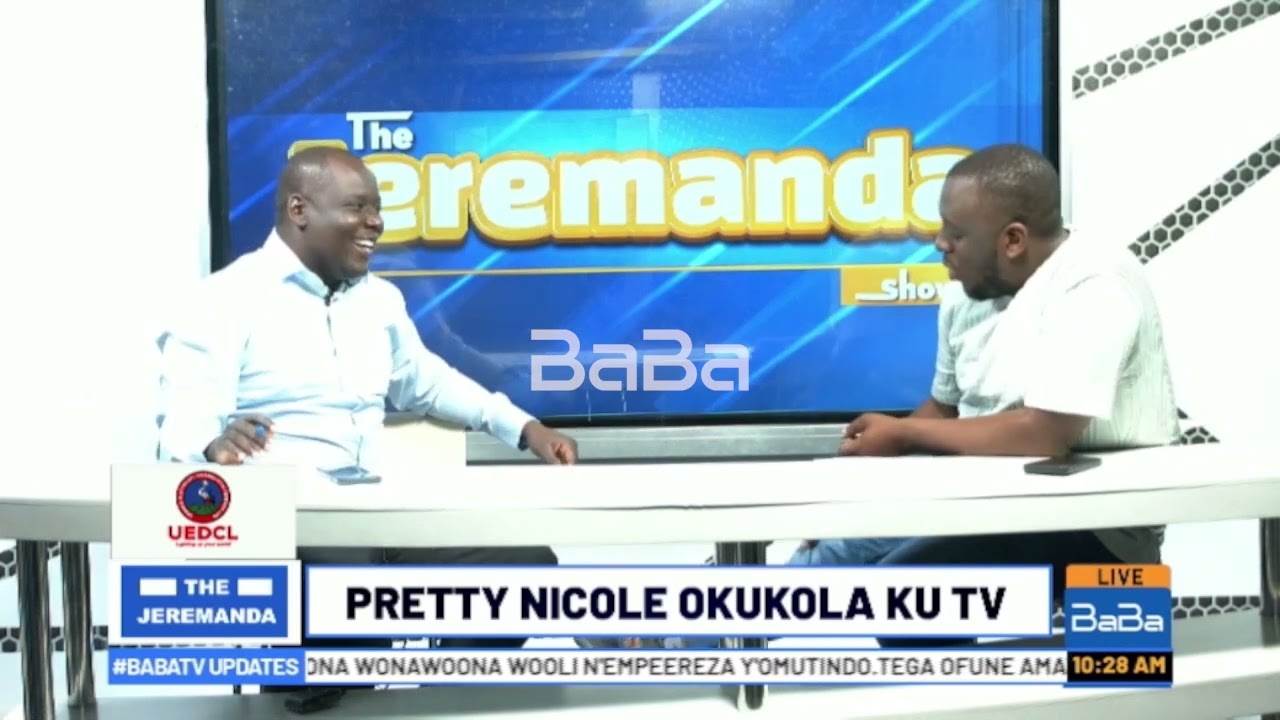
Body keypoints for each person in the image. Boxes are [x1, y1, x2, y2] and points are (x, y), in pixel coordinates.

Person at [580, 143, 1180, 650]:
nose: (938, 243)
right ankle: (672, 627)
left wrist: (905, 433)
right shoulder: (969, 290)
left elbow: (1042, 433)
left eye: (955, 234)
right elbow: (944, 408)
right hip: (984, 496)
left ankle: (670, 636)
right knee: (843, 541)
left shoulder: (1096, 287)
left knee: (904, 594)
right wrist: (856, 493)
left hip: (1095, 528)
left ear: (1014, 239)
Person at [158, 146, 579, 692]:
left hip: (379, 516)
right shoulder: (224, 300)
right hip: (294, 526)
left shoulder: (379, 300)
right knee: (340, 591)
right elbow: (182, 436)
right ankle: (316, 693)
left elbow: (426, 381)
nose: (375, 222)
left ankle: (439, 696)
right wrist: (214, 450)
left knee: (522, 569)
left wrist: (523, 428)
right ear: (299, 210)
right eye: (357, 207)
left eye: (377, 208)